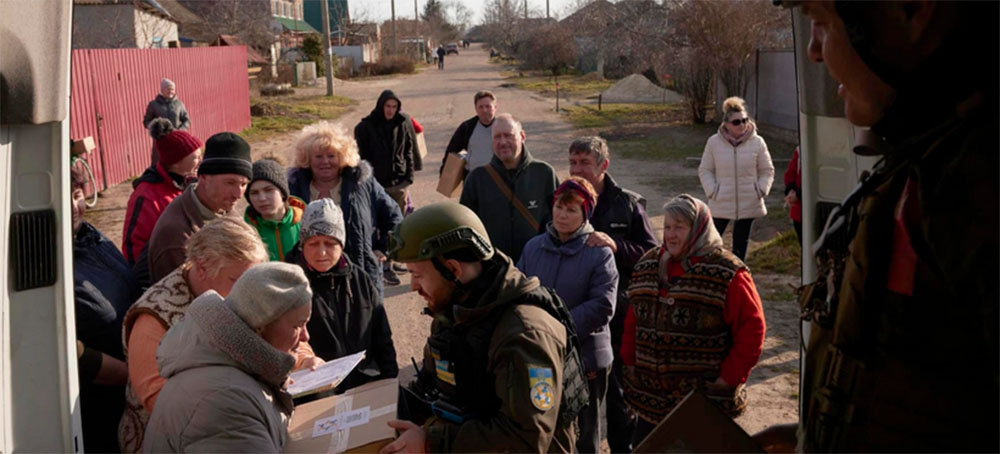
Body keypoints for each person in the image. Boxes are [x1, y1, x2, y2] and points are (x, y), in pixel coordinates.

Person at [754, 2, 998, 452]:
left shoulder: (975, 185)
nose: (812, 51)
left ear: (915, 11)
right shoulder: (930, 163)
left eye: (822, 23)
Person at [381, 202, 589, 453]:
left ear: (453, 269)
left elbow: (525, 440)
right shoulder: (455, 311)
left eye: (418, 275)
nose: (413, 287)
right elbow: (433, 386)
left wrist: (430, 441)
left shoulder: (524, 333)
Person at [118, 217, 321, 453]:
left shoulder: (238, 304)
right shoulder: (153, 317)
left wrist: (303, 359)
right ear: (202, 267)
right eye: (239, 281)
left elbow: (278, 327)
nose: (251, 294)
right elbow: (170, 401)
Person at [621, 194, 765, 446]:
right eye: (666, 227)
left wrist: (727, 379)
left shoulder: (727, 272)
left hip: (702, 404)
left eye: (679, 227)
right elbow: (634, 318)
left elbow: (752, 330)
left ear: (698, 228)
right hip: (650, 401)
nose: (670, 234)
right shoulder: (649, 265)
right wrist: (630, 361)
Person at [142, 262, 313, 452]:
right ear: (261, 325)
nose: (306, 336)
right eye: (298, 326)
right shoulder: (224, 401)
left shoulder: (236, 367)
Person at [567, 136, 657, 453]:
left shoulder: (628, 204)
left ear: (604, 165)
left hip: (617, 315)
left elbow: (651, 252)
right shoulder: (566, 198)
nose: (577, 170)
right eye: (573, 163)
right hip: (574, 315)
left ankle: (621, 447)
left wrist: (616, 245)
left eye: (585, 163)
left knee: (618, 395)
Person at [517, 177, 618, 454]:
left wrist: (556, 328)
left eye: (572, 210)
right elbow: (519, 291)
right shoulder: (533, 247)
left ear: (585, 214)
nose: (562, 215)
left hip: (587, 359)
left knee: (587, 435)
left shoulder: (599, 254)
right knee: (547, 430)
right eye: (559, 207)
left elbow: (603, 305)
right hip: (541, 356)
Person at [290, 199, 398, 391]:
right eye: (313, 243)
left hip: (366, 383)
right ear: (302, 244)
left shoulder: (359, 278)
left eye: (330, 243)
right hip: (319, 392)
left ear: (342, 244)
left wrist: (390, 378)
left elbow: (381, 334)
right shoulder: (290, 284)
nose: (321, 252)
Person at [287, 121, 403, 295]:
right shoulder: (294, 188)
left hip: (360, 272)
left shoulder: (362, 183)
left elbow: (394, 215)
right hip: (309, 275)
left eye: (331, 156)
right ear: (308, 159)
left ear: (341, 156)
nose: (325, 162)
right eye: (318, 156)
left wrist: (382, 248)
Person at [71, 164, 140, 453]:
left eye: (77, 195)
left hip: (132, 385)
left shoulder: (89, 236)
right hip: (95, 403)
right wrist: (133, 375)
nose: (76, 206)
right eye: (65, 196)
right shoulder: (44, 265)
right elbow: (69, 352)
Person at [140, 131, 253, 286]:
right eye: (230, 183)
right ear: (204, 178)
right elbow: (184, 299)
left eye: (243, 184)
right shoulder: (177, 234)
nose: (238, 194)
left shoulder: (222, 207)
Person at [460, 113, 558, 263]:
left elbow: (559, 220)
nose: (503, 142)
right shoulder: (477, 179)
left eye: (508, 135)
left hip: (537, 265)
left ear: (522, 136)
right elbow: (466, 227)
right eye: (497, 137)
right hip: (493, 269)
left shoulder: (544, 173)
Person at [697, 96, 775, 261]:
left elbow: (767, 169)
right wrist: (713, 191)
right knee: (712, 242)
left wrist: (761, 189)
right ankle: (711, 272)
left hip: (749, 200)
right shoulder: (714, 143)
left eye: (745, 120)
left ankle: (737, 276)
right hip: (721, 200)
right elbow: (705, 169)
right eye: (737, 122)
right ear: (726, 124)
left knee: (740, 245)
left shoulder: (758, 142)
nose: (742, 124)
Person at [354, 90, 417, 284]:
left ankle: (393, 259)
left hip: (398, 184)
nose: (390, 111)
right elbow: (361, 158)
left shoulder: (402, 123)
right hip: (375, 185)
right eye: (387, 106)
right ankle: (382, 265)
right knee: (377, 228)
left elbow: (409, 149)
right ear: (381, 106)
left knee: (398, 225)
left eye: (394, 107)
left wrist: (409, 176)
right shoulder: (365, 127)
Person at [121, 118, 202, 265]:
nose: (200, 161)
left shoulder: (187, 184)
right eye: (195, 158)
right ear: (176, 162)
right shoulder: (147, 195)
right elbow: (133, 244)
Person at [244, 158, 306, 261]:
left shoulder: (306, 224)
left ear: (282, 192)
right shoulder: (246, 232)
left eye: (268, 190)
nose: (262, 198)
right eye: (254, 193)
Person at [442, 91, 498, 172]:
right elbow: (451, 152)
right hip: (472, 177)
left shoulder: (503, 128)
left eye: (488, 106)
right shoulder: (467, 127)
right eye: (481, 107)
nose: (484, 110)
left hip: (497, 177)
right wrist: (444, 173)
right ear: (476, 109)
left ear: (495, 107)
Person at [142, 78, 191, 166]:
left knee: (177, 163)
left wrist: (180, 131)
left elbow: (186, 120)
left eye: (172, 89)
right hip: (160, 141)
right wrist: (157, 129)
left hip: (176, 139)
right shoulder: (153, 105)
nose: (170, 91)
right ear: (162, 90)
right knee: (159, 164)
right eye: (168, 89)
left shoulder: (179, 104)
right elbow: (146, 121)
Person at [783, 146, 802, 243]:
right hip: (798, 209)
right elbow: (790, 173)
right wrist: (791, 190)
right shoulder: (800, 150)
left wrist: (798, 194)